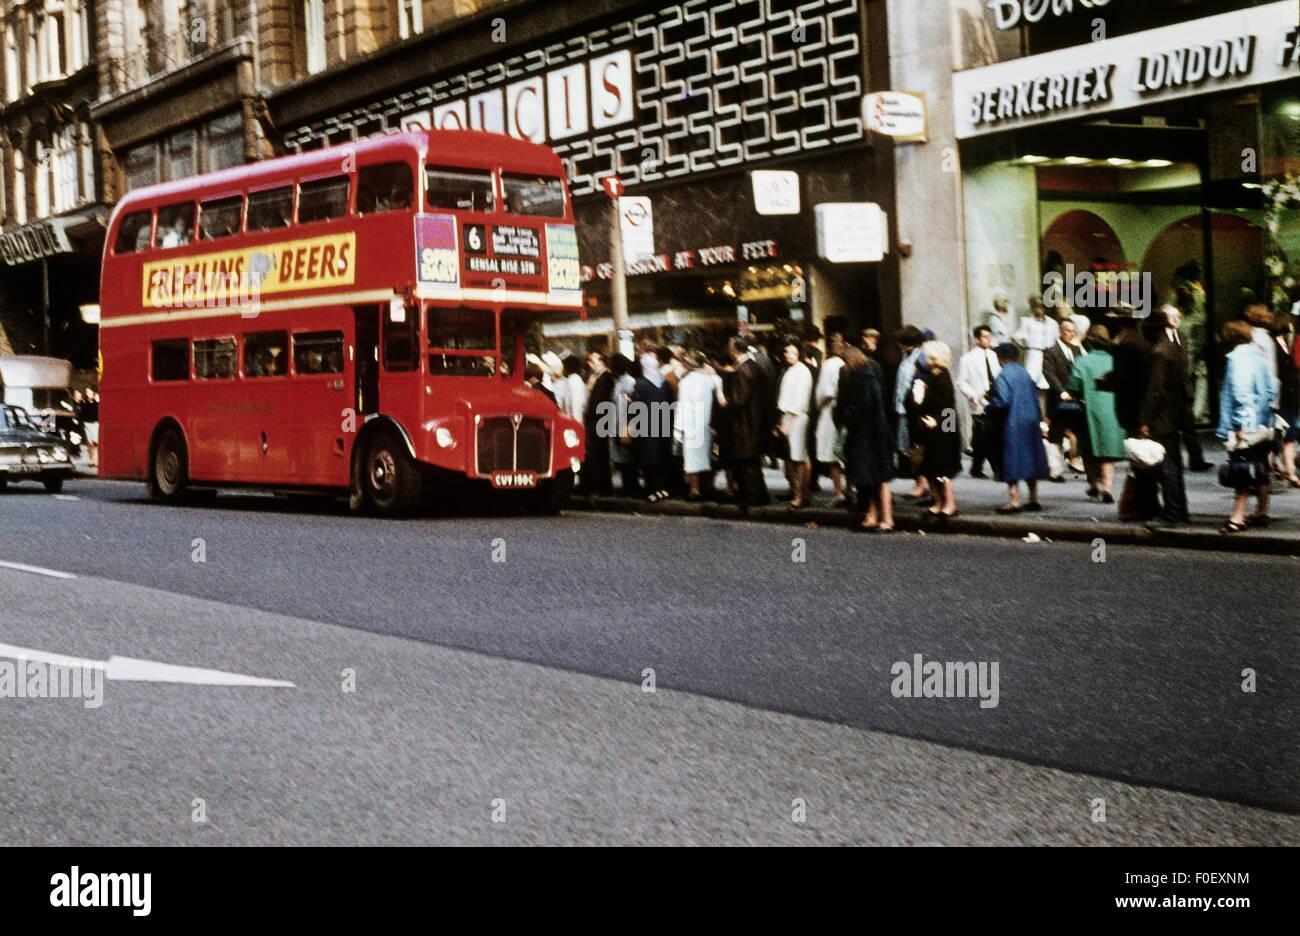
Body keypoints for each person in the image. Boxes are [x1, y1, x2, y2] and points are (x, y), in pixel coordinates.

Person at [1217, 320, 1278, 534]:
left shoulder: (1238, 360)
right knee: (1260, 465)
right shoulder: (1258, 357)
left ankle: (1237, 516)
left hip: (1246, 425)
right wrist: (1262, 413)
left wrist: (1244, 424)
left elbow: (1242, 395)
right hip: (1262, 421)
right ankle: (1261, 511)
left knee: (1241, 468)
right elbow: (1272, 389)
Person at [1139, 306, 1195, 526]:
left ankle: (1172, 511)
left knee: (1167, 466)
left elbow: (1155, 389)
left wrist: (1145, 419)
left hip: (1162, 417)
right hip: (1176, 413)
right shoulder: (1174, 348)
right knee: (1174, 464)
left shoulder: (1159, 352)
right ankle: (1180, 509)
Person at [1103, 309, 1158, 522]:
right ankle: (1146, 504)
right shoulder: (1140, 343)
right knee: (1143, 458)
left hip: (1133, 409)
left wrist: (1107, 382)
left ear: (1120, 323)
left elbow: (1125, 379)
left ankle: (1144, 506)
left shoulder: (1126, 345)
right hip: (1139, 408)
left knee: (1139, 458)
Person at [835, 344, 895, 532]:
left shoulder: (863, 378)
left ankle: (886, 519)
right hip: (872, 433)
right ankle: (873, 516)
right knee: (872, 479)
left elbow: (863, 405)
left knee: (877, 479)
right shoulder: (867, 374)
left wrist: (847, 413)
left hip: (869, 435)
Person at [987, 343, 1048, 513]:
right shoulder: (1024, 373)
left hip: (1011, 422)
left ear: (1001, 358)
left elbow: (1002, 401)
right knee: (1031, 458)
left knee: (1011, 460)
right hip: (1030, 421)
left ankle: (1014, 500)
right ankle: (1034, 498)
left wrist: (988, 406)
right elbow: (1035, 400)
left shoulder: (1003, 375)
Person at [1068, 325, 1125, 504]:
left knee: (1089, 450)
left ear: (1090, 342)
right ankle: (1107, 488)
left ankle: (1093, 485)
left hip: (1089, 411)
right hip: (1113, 411)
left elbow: (1073, 387)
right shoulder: (1116, 360)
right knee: (1107, 453)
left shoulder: (1082, 362)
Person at [906, 340, 960, 518]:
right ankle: (938, 502)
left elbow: (949, 407)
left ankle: (949, 503)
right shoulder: (931, 375)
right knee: (931, 468)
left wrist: (940, 424)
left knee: (943, 469)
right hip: (931, 429)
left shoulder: (942, 376)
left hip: (942, 431)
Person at [1156, 306, 1212, 472]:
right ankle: (1172, 461)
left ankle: (1196, 460)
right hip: (1168, 391)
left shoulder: (1182, 337)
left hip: (1183, 390)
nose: (1176, 320)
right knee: (1170, 430)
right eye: (1171, 316)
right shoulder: (1159, 338)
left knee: (1189, 427)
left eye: (1178, 316)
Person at [726, 335, 773, 506]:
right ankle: (758, 493)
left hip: (747, 423)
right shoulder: (754, 365)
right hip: (756, 420)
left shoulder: (743, 369)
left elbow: (739, 399)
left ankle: (754, 495)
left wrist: (726, 402)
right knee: (752, 461)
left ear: (734, 350)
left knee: (748, 460)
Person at [674, 350, 724, 501]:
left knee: (692, 459)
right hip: (709, 426)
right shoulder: (711, 380)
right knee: (711, 456)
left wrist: (678, 428)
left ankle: (695, 490)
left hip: (691, 426)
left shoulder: (685, 383)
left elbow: (682, 406)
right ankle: (710, 486)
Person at [956, 325, 1002, 480]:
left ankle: (977, 467)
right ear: (976, 339)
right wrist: (972, 395)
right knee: (986, 433)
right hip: (979, 400)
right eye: (984, 336)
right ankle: (996, 468)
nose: (988, 339)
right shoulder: (967, 358)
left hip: (994, 398)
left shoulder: (994, 356)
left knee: (983, 436)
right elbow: (962, 382)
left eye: (990, 336)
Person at [1042, 317, 1085, 479]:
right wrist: (1061, 391)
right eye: (1068, 331)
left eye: (1073, 331)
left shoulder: (1076, 350)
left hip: (1075, 399)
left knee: (1079, 432)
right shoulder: (1051, 351)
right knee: (1056, 434)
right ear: (1060, 331)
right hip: (1058, 400)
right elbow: (1049, 373)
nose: (1071, 334)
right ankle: (1055, 471)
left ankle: (1079, 463)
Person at [892, 326, 929, 500]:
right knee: (910, 446)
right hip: (904, 408)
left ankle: (922, 483)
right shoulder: (909, 357)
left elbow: (918, 385)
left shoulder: (919, 359)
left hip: (913, 411)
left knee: (916, 446)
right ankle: (921, 483)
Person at [775, 339, 813, 508]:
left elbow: (799, 399)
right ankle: (799, 493)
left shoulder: (802, 371)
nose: (788, 355)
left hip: (796, 417)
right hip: (788, 416)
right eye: (787, 352)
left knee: (799, 458)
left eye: (793, 352)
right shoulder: (790, 370)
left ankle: (801, 494)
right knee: (793, 458)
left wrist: (787, 421)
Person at [634, 352, 674, 502]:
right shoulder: (665, 383)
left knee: (648, 459)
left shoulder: (641, 384)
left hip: (647, 427)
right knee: (662, 458)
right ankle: (662, 489)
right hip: (664, 425)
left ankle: (652, 491)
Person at [814, 332, 847, 506]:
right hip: (846, 410)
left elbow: (824, 392)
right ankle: (849, 489)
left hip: (831, 410)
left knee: (833, 454)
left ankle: (838, 491)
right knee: (846, 454)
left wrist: (818, 404)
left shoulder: (829, 365)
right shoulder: (849, 363)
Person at [581, 351, 615, 495]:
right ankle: (596, 484)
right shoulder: (595, 377)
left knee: (599, 454)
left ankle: (602, 486)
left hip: (599, 423)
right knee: (596, 454)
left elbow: (599, 402)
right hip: (596, 423)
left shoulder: (605, 378)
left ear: (601, 361)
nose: (589, 363)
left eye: (592, 360)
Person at [1272, 314, 1300, 488]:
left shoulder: (1284, 343)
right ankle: (1288, 470)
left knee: (1287, 434)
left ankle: (1283, 467)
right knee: (1288, 434)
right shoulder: (1276, 345)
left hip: (1288, 395)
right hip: (1283, 396)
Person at [1015, 295, 1059, 397]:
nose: (1038, 310)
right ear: (1033, 308)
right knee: (1031, 380)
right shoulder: (1027, 321)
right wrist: (1025, 344)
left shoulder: (1052, 323)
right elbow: (1018, 336)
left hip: (1048, 353)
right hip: (1033, 353)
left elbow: (1056, 338)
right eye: (1036, 307)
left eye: (1041, 307)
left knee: (1047, 381)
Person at [608, 354, 638, 496]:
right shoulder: (617, 382)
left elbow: (632, 407)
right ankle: (627, 488)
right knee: (621, 459)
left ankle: (631, 488)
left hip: (625, 426)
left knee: (628, 460)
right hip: (615, 425)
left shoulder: (630, 383)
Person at [80, 389, 100, 468]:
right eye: (87, 392)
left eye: (90, 392)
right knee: (90, 443)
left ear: (93, 393)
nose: (88, 394)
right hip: (86, 424)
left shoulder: (97, 403)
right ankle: (90, 459)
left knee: (96, 443)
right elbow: (82, 414)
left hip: (95, 424)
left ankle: (95, 460)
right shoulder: (84, 403)